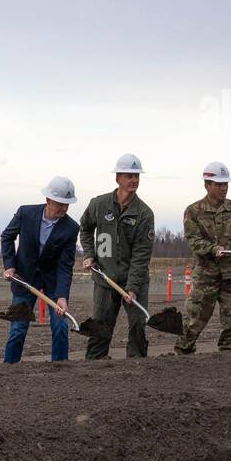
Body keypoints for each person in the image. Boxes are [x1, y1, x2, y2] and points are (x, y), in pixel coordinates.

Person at [174, 161, 231, 353]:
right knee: (193, 322)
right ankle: (182, 355)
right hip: (206, 276)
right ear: (207, 185)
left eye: (226, 184)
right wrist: (213, 249)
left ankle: (227, 359)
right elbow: (194, 241)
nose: (224, 188)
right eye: (219, 184)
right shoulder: (194, 211)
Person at [78, 153, 155, 359]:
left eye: (137, 175)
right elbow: (85, 228)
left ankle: (137, 365)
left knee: (138, 325)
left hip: (135, 281)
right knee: (101, 327)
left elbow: (141, 255)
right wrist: (89, 254)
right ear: (117, 178)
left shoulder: (144, 214)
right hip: (105, 279)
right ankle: (94, 366)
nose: (134, 180)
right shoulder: (99, 204)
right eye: (129, 175)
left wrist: (132, 287)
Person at [0, 177, 79, 362]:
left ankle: (59, 370)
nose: (64, 209)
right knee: (18, 329)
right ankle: (8, 369)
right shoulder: (25, 213)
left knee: (60, 326)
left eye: (68, 204)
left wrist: (61, 296)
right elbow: (6, 237)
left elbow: (65, 265)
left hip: (52, 283)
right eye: (60, 204)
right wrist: (10, 266)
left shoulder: (71, 228)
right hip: (24, 278)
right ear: (48, 200)